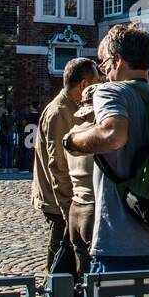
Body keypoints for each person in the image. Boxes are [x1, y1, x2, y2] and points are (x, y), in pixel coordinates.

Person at [64, 24, 149, 274]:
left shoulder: (111, 92)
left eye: (104, 64)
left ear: (118, 61)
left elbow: (113, 135)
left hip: (122, 245)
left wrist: (72, 140)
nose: (103, 73)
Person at [32, 58, 99, 274]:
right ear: (83, 85)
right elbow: (58, 164)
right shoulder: (61, 112)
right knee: (61, 260)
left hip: (68, 201)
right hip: (61, 202)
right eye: (97, 81)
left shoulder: (71, 108)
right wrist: (67, 207)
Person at [64, 82, 99, 277]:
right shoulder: (97, 137)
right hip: (92, 207)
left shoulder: (72, 134)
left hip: (75, 208)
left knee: (81, 269)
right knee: (94, 273)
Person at [23, 101, 41, 172]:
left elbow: (24, 124)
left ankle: (27, 166)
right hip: (36, 135)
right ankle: (34, 166)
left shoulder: (28, 116)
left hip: (29, 135)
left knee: (27, 152)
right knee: (35, 151)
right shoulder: (39, 116)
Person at [0, 105, 15, 171]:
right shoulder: (12, 117)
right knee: (10, 152)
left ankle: (4, 168)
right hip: (10, 135)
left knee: (4, 152)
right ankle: (10, 168)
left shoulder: (2, 117)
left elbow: (0, 127)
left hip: (4, 135)